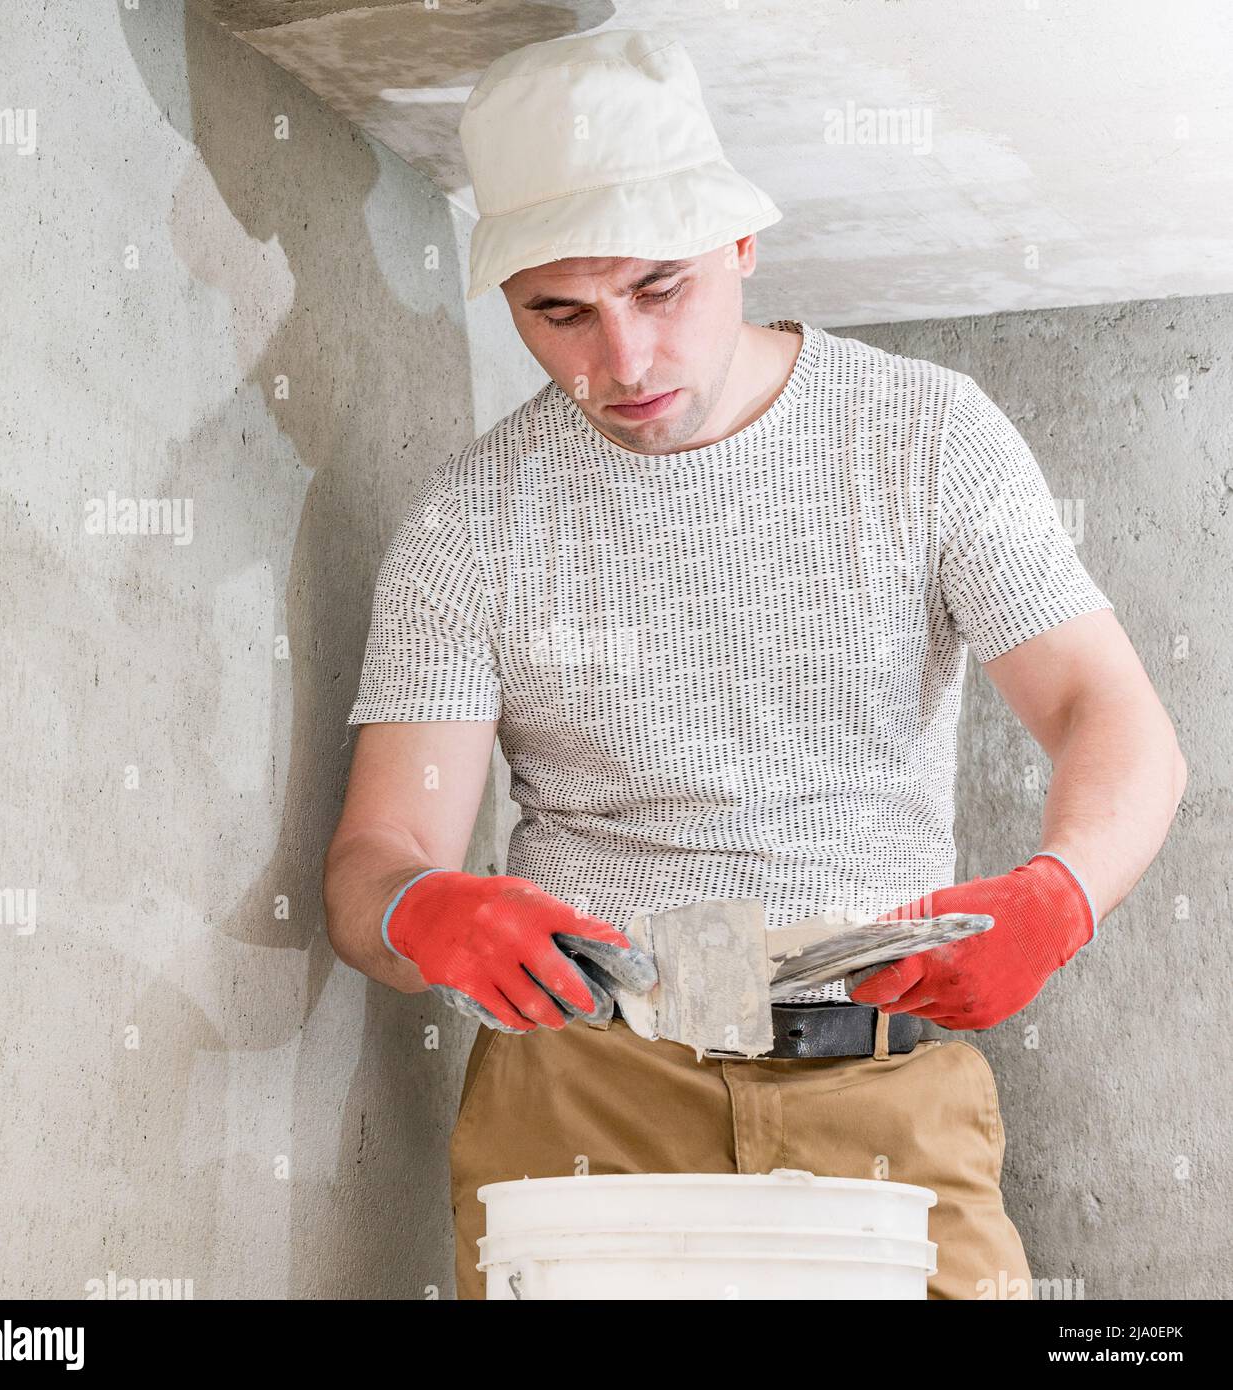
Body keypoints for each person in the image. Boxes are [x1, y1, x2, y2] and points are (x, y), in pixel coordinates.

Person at [322, 29, 1187, 1299]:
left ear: (738, 244)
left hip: (883, 1091)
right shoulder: (467, 527)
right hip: (586, 1098)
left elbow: (1109, 715)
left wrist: (1057, 899)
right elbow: (370, 861)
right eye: (557, 313)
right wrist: (420, 907)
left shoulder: (926, 438)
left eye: (657, 288)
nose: (617, 362)